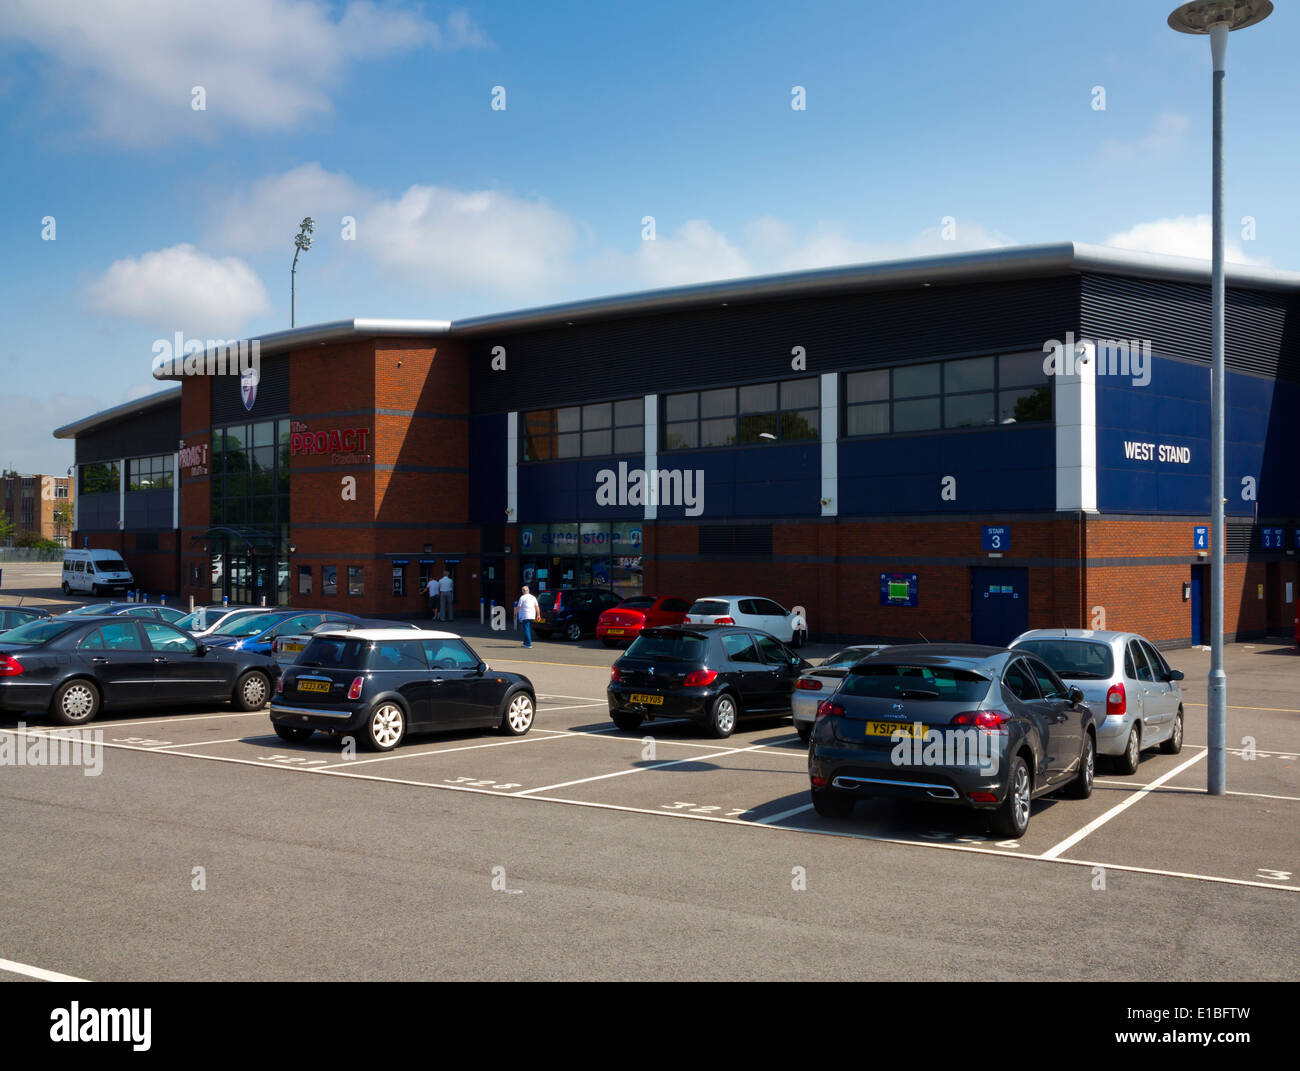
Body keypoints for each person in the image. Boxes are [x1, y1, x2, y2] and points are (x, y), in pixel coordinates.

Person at [515, 584, 539, 648]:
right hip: (532, 615)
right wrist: (538, 615)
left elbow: (518, 607)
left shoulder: (522, 597)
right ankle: (525, 643)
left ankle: (528, 644)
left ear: (523, 591)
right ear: (528, 591)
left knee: (526, 629)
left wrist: (515, 614)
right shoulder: (533, 597)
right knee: (528, 629)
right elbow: (537, 607)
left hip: (525, 615)